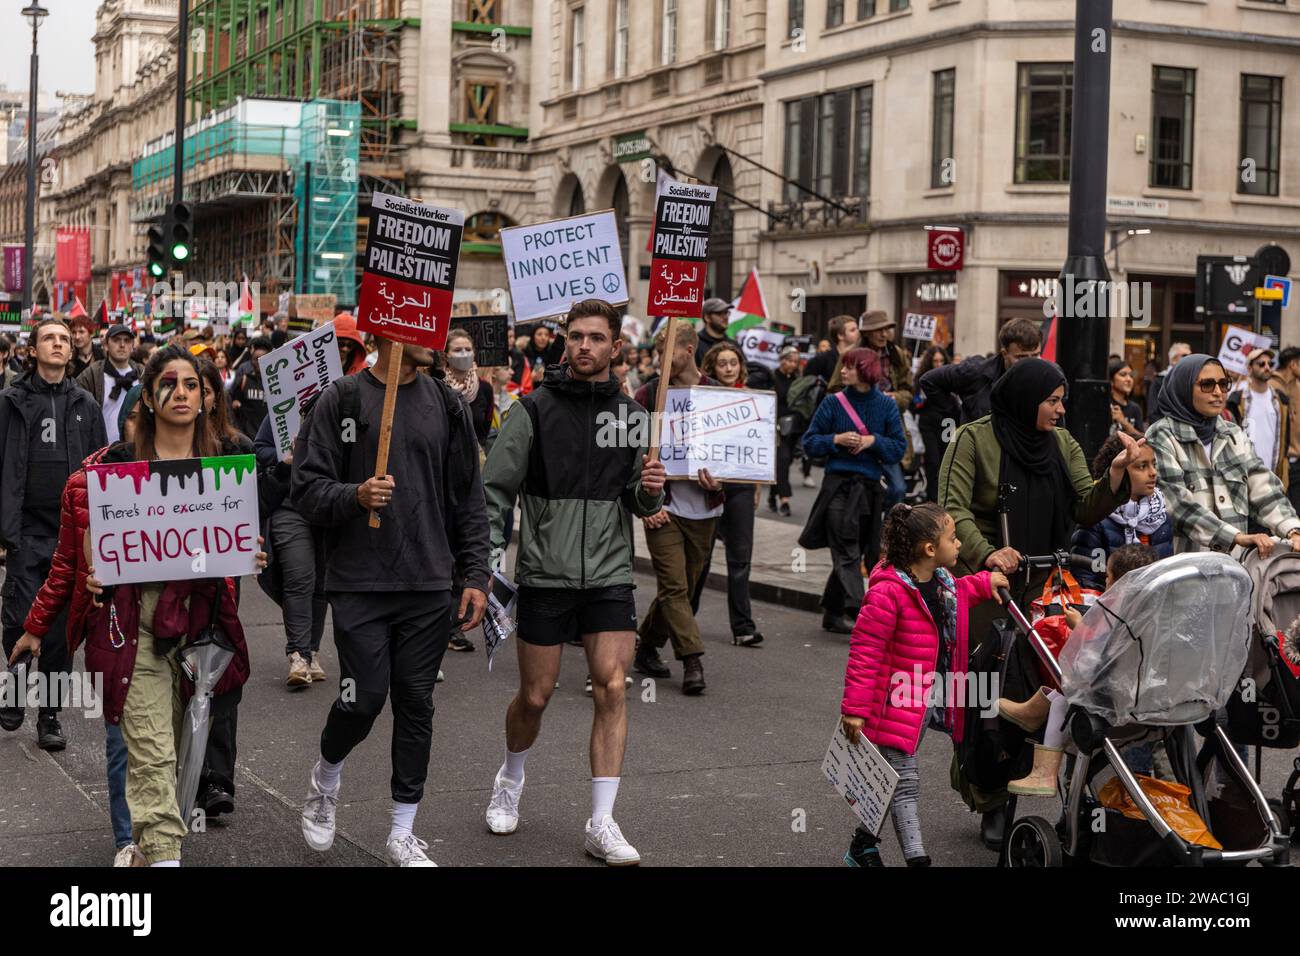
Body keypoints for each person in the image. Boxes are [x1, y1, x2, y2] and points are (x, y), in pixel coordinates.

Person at [292, 332, 489, 867]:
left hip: (428, 582)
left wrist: (475, 572)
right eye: (420, 329)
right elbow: (306, 488)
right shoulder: (342, 399)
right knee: (363, 698)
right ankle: (325, 778)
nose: (437, 341)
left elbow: (469, 494)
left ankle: (403, 830)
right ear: (384, 332)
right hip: (359, 582)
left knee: (416, 703)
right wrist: (353, 496)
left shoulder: (446, 402)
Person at [480, 299, 665, 864]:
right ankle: (510, 779)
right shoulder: (531, 411)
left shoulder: (635, 418)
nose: (584, 346)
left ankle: (602, 822)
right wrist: (488, 557)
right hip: (544, 573)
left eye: (596, 338)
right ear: (565, 341)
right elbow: (494, 491)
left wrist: (652, 488)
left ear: (615, 346)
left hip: (609, 574)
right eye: (576, 336)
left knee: (612, 688)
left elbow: (637, 497)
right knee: (535, 697)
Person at [938, 357, 1137, 847]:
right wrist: (988, 557)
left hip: (1048, 582)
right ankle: (991, 796)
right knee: (989, 691)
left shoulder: (1062, 443)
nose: (1061, 409)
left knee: (1051, 688)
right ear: (1027, 399)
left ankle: (1064, 791)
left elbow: (1083, 506)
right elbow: (951, 508)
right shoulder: (972, 439)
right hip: (990, 585)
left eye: (1062, 400)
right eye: (1052, 400)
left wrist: (1115, 476)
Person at [80, 345, 259, 866]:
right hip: (133, 620)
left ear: (206, 399)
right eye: (168, 384)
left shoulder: (224, 465)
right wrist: (94, 572)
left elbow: (238, 539)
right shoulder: (118, 465)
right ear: (149, 397)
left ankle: (146, 843)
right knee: (151, 743)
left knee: (183, 745)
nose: (180, 393)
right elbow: (92, 538)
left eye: (190, 385)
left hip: (197, 621)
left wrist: (248, 550)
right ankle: (163, 856)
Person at [841, 503, 1008, 866]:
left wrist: (985, 581)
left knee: (885, 781)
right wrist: (854, 711)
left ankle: (862, 846)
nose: (960, 543)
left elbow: (959, 593)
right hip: (892, 703)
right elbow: (865, 652)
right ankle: (918, 859)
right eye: (952, 537)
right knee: (905, 783)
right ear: (929, 549)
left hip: (922, 697)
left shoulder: (940, 581)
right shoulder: (887, 593)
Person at [0, 318, 107, 749]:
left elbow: (104, 471)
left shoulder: (86, 405)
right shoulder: (9, 402)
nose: (59, 344)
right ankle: (15, 687)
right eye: (50, 338)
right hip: (25, 529)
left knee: (63, 629)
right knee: (18, 615)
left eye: (64, 339)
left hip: (72, 533)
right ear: (33, 349)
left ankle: (50, 716)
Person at [997, 543, 1160, 797]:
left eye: (1107, 577)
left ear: (1119, 584)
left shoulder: (1116, 615)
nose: (1105, 582)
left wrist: (1081, 627)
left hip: (1117, 708)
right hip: (1150, 703)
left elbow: (1098, 659)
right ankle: (1032, 710)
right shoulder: (1153, 613)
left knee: (1066, 695)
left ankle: (1044, 774)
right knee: (1069, 689)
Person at [633, 322, 724, 694]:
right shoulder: (649, 394)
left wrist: (721, 480)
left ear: (688, 351)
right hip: (663, 508)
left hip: (704, 511)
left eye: (665, 354)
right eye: (656, 355)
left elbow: (732, 453)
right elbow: (628, 451)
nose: (659, 362)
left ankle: (647, 645)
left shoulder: (718, 395)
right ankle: (693, 661)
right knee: (673, 586)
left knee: (681, 591)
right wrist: (644, 501)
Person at [1147, 354, 1300, 556]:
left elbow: (1263, 486)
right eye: (1207, 385)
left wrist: (1292, 530)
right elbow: (1177, 505)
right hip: (1185, 567)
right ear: (1183, 388)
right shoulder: (1161, 435)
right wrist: (1235, 537)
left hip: (1234, 568)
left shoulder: (1233, 434)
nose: (1218, 392)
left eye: (1223, 383)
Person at [799, 347, 907, 634]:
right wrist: (836, 438)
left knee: (859, 549)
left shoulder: (885, 405)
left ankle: (832, 614)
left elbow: (899, 448)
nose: (842, 371)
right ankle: (865, 613)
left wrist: (872, 441)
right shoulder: (833, 403)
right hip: (838, 487)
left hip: (870, 490)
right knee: (846, 550)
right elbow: (808, 443)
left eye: (849, 367)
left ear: (865, 371)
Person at [696, 341, 762, 647]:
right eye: (721, 363)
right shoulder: (701, 399)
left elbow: (759, 446)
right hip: (707, 485)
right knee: (702, 559)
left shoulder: (755, 400)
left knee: (740, 558)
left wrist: (758, 485)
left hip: (740, 488)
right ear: (711, 367)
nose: (727, 368)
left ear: (740, 366)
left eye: (732, 363)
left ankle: (743, 626)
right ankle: (685, 617)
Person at [1070, 435, 1173, 590]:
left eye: (1153, 464)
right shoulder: (1096, 520)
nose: (1153, 473)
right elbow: (1088, 582)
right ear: (1120, 472)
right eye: (1142, 466)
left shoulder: (1161, 517)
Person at [917, 317, 1041, 425]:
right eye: (1021, 357)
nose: (1030, 363)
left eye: (1035, 355)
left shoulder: (1047, 377)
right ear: (1005, 353)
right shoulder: (975, 371)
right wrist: (957, 414)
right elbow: (929, 380)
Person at [1226, 347, 1290, 492]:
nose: (1267, 367)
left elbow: (1284, 439)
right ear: (1249, 368)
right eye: (1261, 364)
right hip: (1245, 474)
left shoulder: (1280, 400)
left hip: (1273, 473)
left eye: (1270, 364)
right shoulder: (1237, 400)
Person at [75, 324, 143, 445]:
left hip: (137, 449)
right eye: (116, 340)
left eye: (127, 341)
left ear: (132, 346)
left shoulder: (143, 374)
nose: (122, 345)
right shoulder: (91, 375)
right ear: (106, 345)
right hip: (103, 451)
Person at [914, 345, 958, 503]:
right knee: (933, 461)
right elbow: (916, 403)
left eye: (941, 361)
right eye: (935, 361)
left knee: (948, 460)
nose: (938, 364)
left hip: (948, 422)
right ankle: (933, 498)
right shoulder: (923, 379)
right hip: (929, 423)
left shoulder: (951, 377)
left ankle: (946, 497)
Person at [443, 328, 494, 450]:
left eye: (468, 349)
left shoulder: (485, 388)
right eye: (457, 350)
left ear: (474, 353)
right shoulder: (438, 387)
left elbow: (485, 428)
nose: (464, 354)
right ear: (446, 356)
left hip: (476, 456)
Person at [770, 345, 801, 515]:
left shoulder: (797, 380)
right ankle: (784, 500)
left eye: (795, 361)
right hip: (776, 427)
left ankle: (772, 496)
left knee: (784, 463)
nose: (792, 364)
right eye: (789, 360)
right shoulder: (773, 377)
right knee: (782, 461)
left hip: (792, 429)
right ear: (782, 360)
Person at [229, 335, 273, 440]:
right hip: (247, 437)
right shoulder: (244, 380)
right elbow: (232, 402)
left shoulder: (275, 383)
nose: (258, 363)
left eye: (262, 359)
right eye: (255, 359)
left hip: (268, 438)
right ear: (251, 361)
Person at [1274, 346, 1300, 512]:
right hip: (1282, 461)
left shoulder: (1296, 386)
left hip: (1297, 458)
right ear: (1293, 364)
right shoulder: (1272, 386)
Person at [803, 314, 860, 386]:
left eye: (857, 328)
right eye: (853, 330)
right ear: (840, 336)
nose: (858, 332)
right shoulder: (821, 359)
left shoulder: (859, 357)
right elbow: (805, 385)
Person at [1146, 341, 1192, 420]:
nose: (1189, 358)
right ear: (1173, 360)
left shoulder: (1193, 381)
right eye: (1184, 355)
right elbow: (1153, 413)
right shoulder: (1160, 381)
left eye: (1190, 356)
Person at [1108, 358, 1145, 439]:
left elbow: (1142, 440)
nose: (1129, 379)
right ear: (1111, 380)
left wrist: (1123, 422)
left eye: (1131, 376)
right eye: (1123, 374)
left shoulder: (1135, 408)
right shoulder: (1105, 405)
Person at [695, 298, 731, 365]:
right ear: (707, 318)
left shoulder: (733, 344)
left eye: (726, 313)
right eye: (719, 313)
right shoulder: (695, 344)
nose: (725, 317)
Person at [68, 313, 103, 379]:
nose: (77, 337)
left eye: (81, 332)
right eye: (74, 332)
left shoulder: (102, 356)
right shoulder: (68, 358)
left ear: (91, 333)